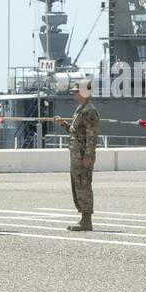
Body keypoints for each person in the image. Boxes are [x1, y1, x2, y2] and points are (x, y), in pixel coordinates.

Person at [57, 83, 98, 232]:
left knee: (84, 185)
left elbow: (91, 136)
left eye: (76, 92)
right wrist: (64, 124)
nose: (74, 94)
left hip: (82, 156)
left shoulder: (89, 111)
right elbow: (76, 132)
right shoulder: (80, 109)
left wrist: (88, 156)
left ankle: (86, 220)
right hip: (76, 155)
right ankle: (83, 217)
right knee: (77, 185)